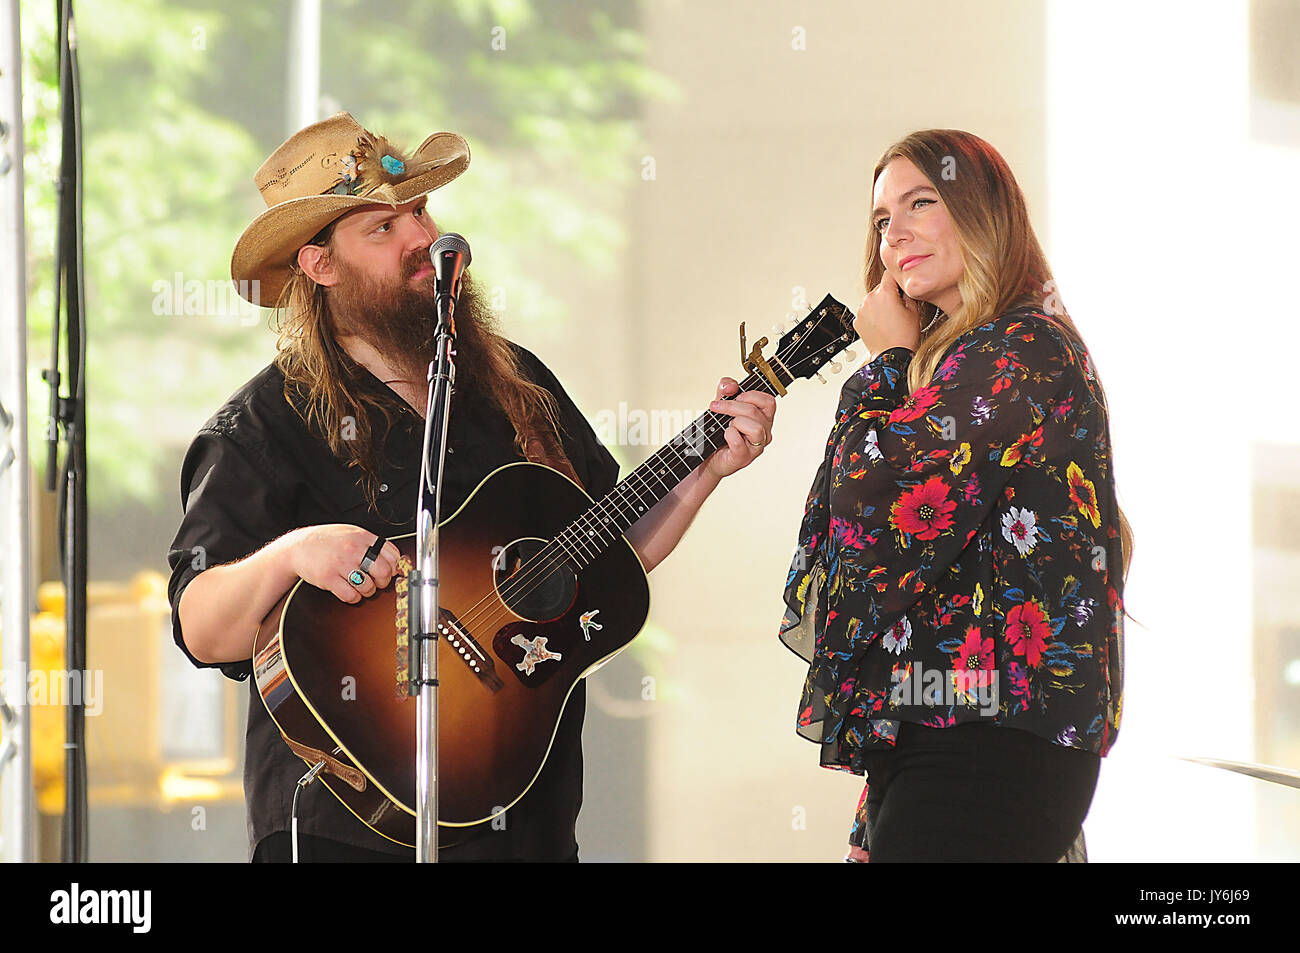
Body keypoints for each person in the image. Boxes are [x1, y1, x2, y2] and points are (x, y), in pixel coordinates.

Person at [166, 112, 776, 862]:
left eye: (419, 211)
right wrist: (293, 553)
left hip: (522, 816)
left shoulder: (513, 385)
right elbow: (200, 624)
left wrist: (707, 466)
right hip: (348, 831)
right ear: (320, 265)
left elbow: (601, 556)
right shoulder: (264, 425)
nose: (419, 236)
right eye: (381, 229)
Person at [779, 128, 1133, 862]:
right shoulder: (961, 367)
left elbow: (878, 509)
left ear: (982, 212)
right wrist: (870, 816)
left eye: (920, 202)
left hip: (994, 742)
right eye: (881, 219)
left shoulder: (1023, 348)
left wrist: (887, 362)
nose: (894, 232)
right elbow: (919, 602)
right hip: (945, 732)